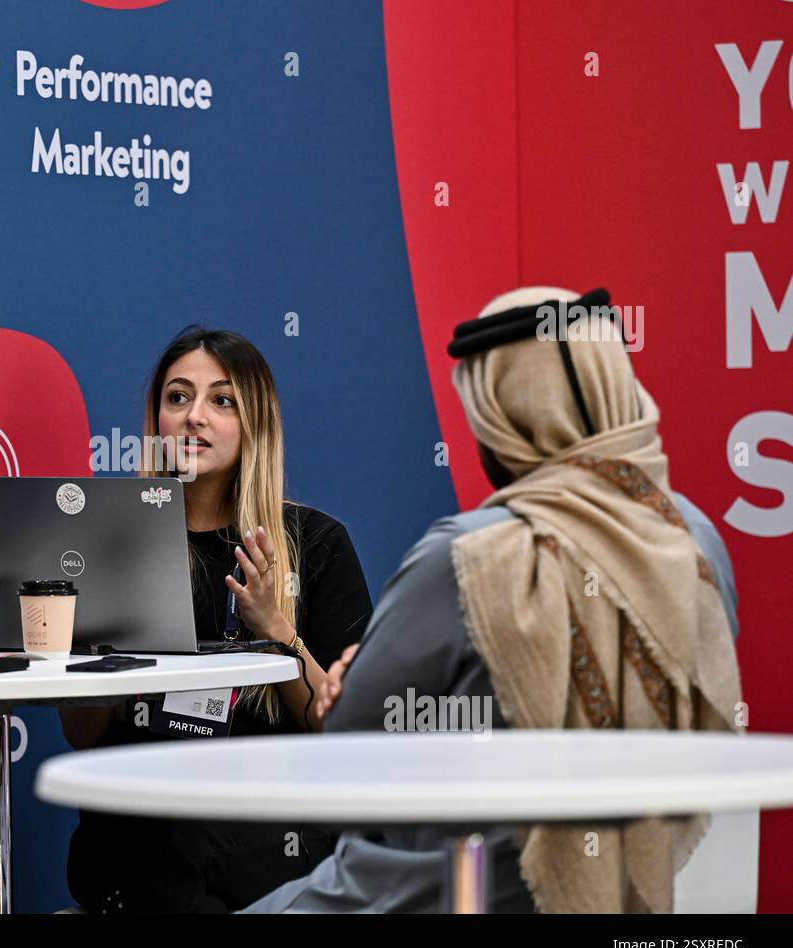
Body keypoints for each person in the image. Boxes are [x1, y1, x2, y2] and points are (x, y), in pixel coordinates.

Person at [244, 287, 742, 914]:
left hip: (440, 890)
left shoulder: (470, 555)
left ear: (501, 416)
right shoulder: (697, 544)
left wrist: (349, 684)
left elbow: (349, 739)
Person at [59, 325, 373, 912]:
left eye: (221, 400)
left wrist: (276, 631)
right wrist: (99, 646)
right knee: (148, 846)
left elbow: (345, 734)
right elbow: (82, 734)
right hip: (137, 836)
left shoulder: (318, 544)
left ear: (254, 422)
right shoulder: (111, 540)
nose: (193, 416)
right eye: (177, 397)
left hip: (263, 835)